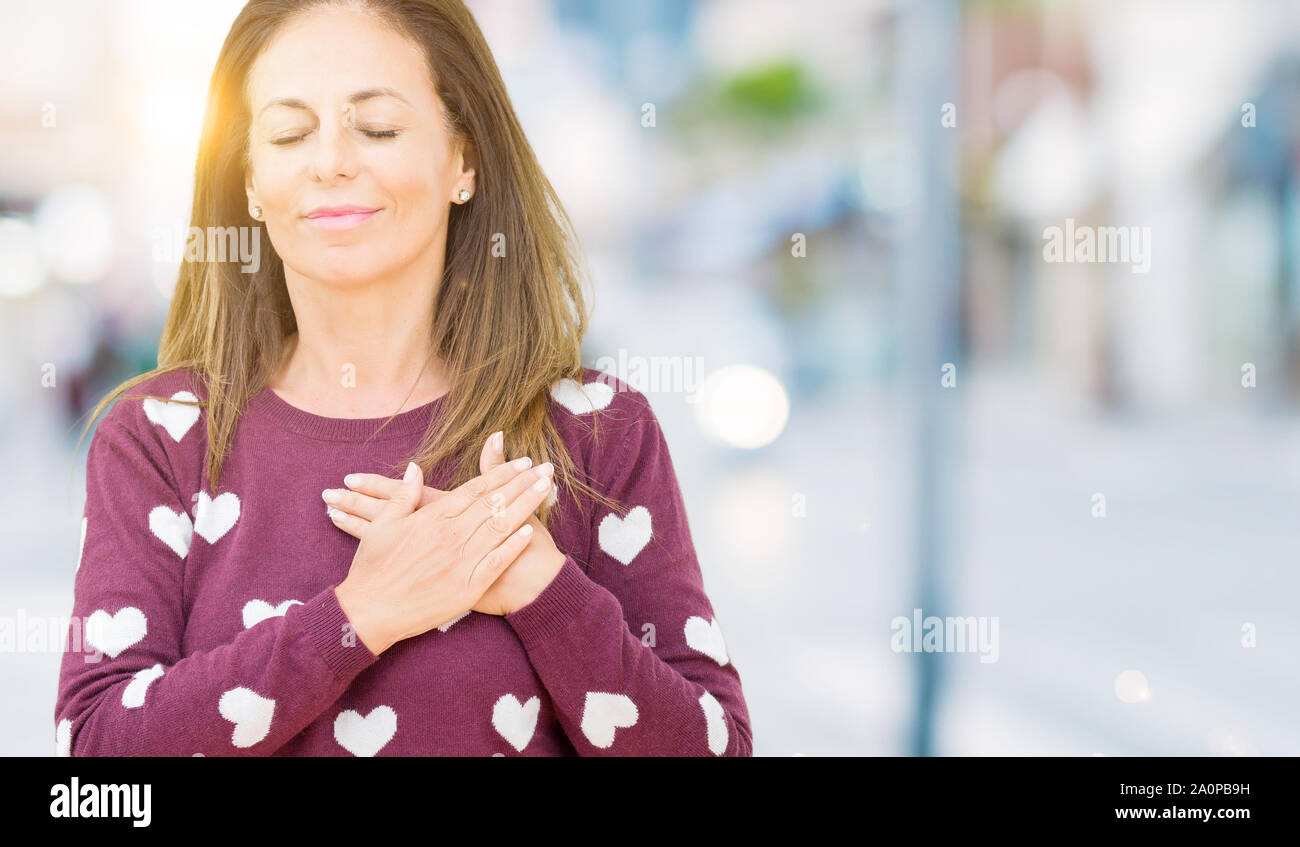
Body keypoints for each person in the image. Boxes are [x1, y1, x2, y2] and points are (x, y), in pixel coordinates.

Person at [54, 0, 751, 756]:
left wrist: (542, 591)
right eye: (289, 133)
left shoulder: (596, 430)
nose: (329, 162)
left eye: (377, 127)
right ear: (251, 182)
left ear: (464, 159)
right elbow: (94, 776)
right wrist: (361, 612)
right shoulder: (158, 441)